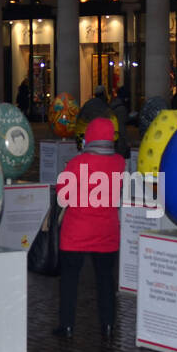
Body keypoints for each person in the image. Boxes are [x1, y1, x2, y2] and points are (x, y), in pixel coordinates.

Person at [53, 117, 124, 340]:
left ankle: (67, 326)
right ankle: (108, 325)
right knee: (105, 280)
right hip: (107, 231)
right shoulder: (119, 163)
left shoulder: (76, 164)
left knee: (69, 281)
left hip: (76, 232)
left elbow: (62, 196)